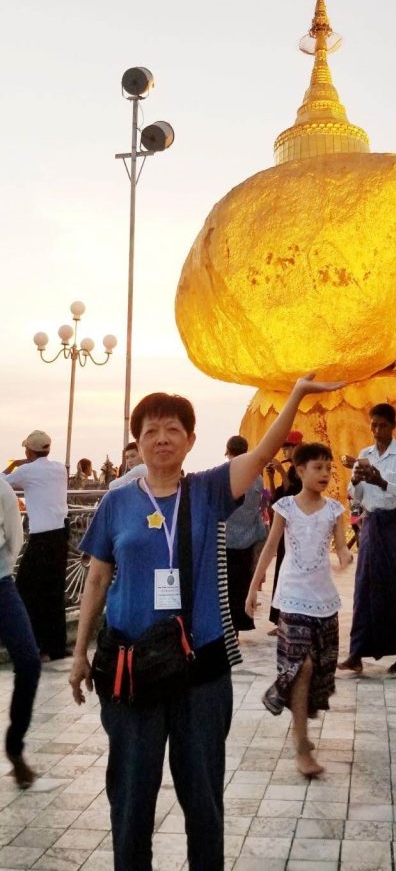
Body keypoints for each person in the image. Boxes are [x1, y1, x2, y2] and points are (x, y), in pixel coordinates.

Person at [68, 373, 345, 871]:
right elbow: (96, 579)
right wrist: (78, 654)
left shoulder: (210, 490)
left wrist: (297, 394)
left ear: (191, 440)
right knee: (130, 800)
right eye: (150, 430)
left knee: (203, 800)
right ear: (137, 441)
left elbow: (261, 455)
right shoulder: (117, 502)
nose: (161, 439)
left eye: (173, 429)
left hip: (200, 673)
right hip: (132, 671)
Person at [246, 442, 351, 778]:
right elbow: (271, 547)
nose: (324, 473)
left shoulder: (334, 509)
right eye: (317, 467)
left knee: (318, 670)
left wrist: (348, 560)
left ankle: (294, 717)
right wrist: (254, 586)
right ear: (300, 470)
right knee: (301, 667)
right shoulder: (285, 506)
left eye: (328, 468)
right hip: (291, 598)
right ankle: (301, 742)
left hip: (324, 602)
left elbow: (341, 549)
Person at [338, 404, 396, 675]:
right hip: (372, 523)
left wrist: (382, 482)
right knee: (365, 586)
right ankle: (357, 653)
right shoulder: (365, 454)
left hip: (395, 523)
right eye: (373, 425)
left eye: (382, 425)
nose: (377, 431)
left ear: (393, 426)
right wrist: (356, 479)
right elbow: (359, 495)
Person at [2, 431, 69, 661]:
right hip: (61, 534)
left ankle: (36, 646)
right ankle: (56, 646)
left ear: (29, 451)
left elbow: (2, 483)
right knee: (54, 590)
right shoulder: (60, 468)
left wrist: (13, 466)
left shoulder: (27, 471)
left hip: (41, 538)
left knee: (25, 589)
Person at [0, 479, 41, 788]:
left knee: (29, 662)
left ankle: (15, 747)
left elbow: (15, 540)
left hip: (1, 585)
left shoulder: (2, 489)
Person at [224, 435, 266, 637]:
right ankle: (238, 626)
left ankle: (228, 628)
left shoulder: (225, 473)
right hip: (249, 536)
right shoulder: (257, 475)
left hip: (226, 538)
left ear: (228, 451)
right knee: (242, 583)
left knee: (225, 585)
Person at [266, 429, 303, 629]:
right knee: (281, 569)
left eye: (289, 447)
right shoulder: (290, 470)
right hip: (285, 527)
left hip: (298, 529)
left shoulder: (302, 468)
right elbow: (277, 497)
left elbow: (294, 493)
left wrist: (281, 471)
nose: (285, 451)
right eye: (284, 447)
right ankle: (279, 618)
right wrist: (272, 476)